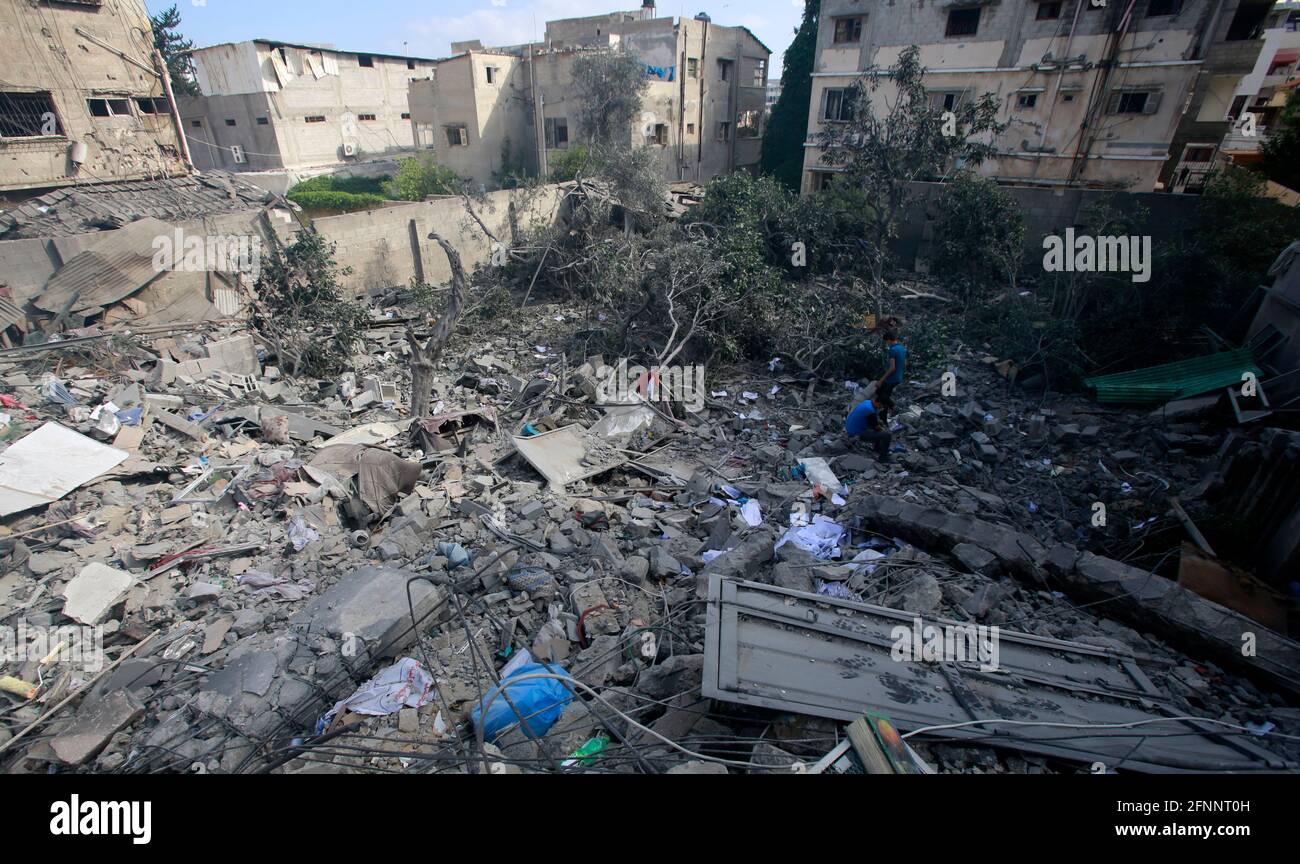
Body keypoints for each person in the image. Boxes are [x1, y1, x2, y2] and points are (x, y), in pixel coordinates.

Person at [875, 329, 906, 426]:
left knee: (883, 397)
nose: (886, 344)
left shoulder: (892, 350)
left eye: (886, 342)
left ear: (889, 340)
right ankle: (884, 417)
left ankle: (890, 411)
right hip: (898, 377)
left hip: (892, 378)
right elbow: (904, 363)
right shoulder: (901, 348)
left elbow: (892, 368)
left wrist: (881, 380)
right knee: (881, 394)